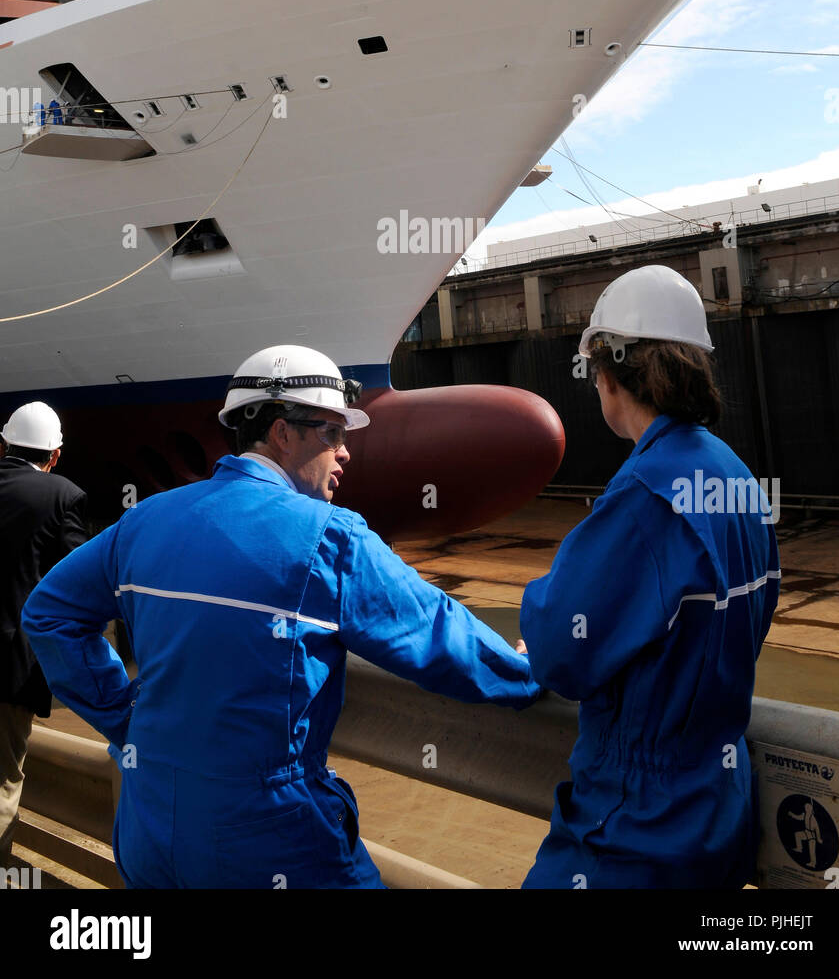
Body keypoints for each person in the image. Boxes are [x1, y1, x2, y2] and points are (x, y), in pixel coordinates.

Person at [23, 345, 540, 889]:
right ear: (282, 433)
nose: (345, 453)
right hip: (268, 836)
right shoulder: (330, 537)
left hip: (149, 825)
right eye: (333, 433)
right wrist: (526, 670)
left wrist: (128, 718)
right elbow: (438, 636)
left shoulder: (144, 519)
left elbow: (50, 613)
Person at [520, 265, 780, 889]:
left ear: (610, 374)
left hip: (635, 826)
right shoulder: (738, 479)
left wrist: (540, 617)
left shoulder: (644, 496)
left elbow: (561, 651)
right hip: (718, 810)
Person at [0, 402, 87, 867]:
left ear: (4, 445)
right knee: (2, 782)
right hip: (9, 671)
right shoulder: (62, 495)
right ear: (54, 455)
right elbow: (78, 577)